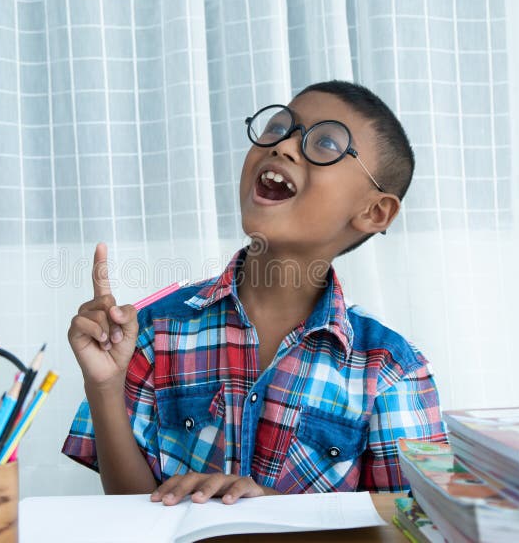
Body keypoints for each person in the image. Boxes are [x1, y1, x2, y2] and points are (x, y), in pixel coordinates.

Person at [62, 80, 447, 506]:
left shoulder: (393, 371)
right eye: (278, 127)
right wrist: (104, 387)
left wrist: (277, 515)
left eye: (325, 143)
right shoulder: (153, 330)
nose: (282, 146)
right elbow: (131, 510)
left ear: (375, 211)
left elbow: (415, 524)